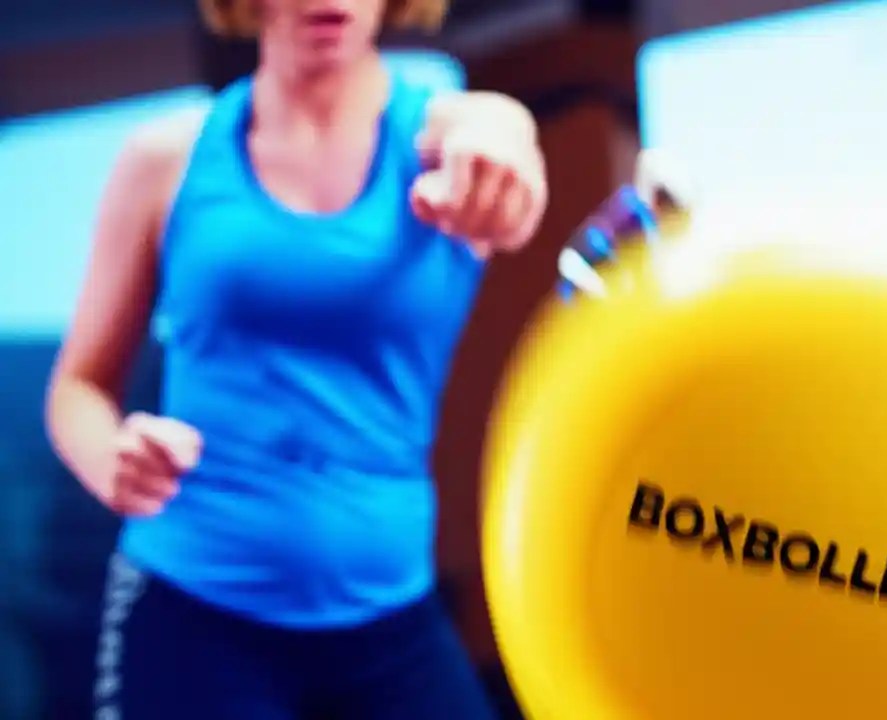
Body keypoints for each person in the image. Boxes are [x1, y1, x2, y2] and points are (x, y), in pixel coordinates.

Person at [44, 0, 547, 717]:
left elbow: (496, 127)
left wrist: (506, 144)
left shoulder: (445, 140)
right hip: (194, 612)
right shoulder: (165, 162)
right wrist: (111, 459)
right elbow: (78, 389)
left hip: (393, 620)